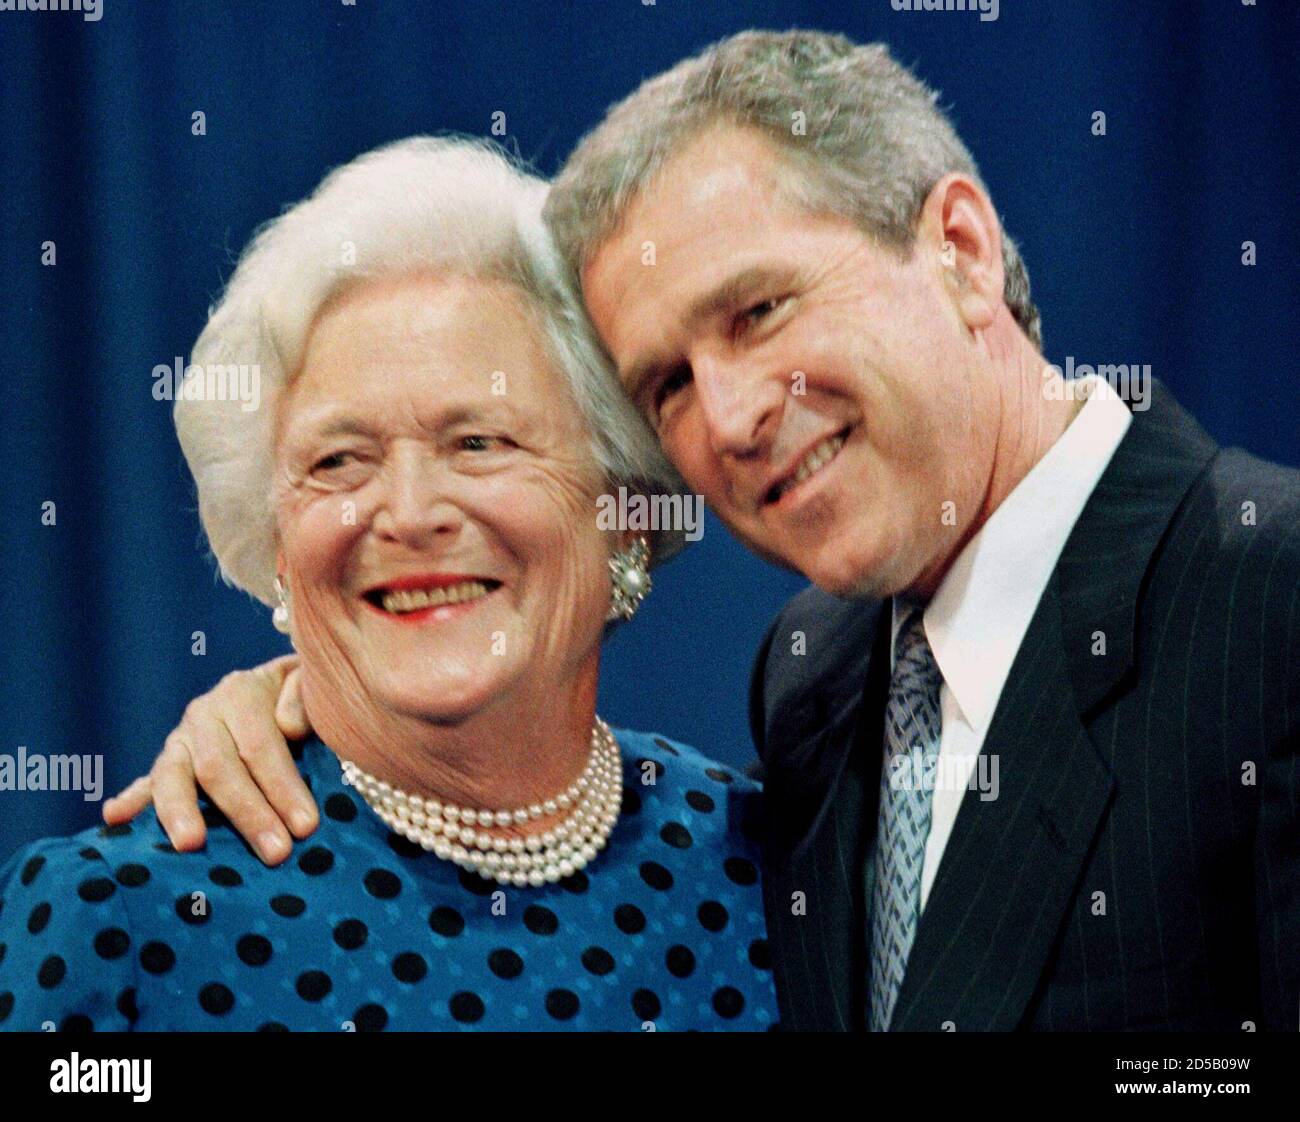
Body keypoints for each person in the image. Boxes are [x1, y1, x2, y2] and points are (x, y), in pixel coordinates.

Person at [108, 31, 1299, 1032]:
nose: (729, 417)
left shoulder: (1272, 602)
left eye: (760, 309)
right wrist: (299, 690)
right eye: (667, 382)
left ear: (961, 253)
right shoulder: (816, 683)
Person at [0, 137, 777, 1032]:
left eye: (478, 443)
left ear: (627, 508)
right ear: (278, 546)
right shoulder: (120, 924)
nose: (408, 513)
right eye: (339, 460)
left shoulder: (776, 871)